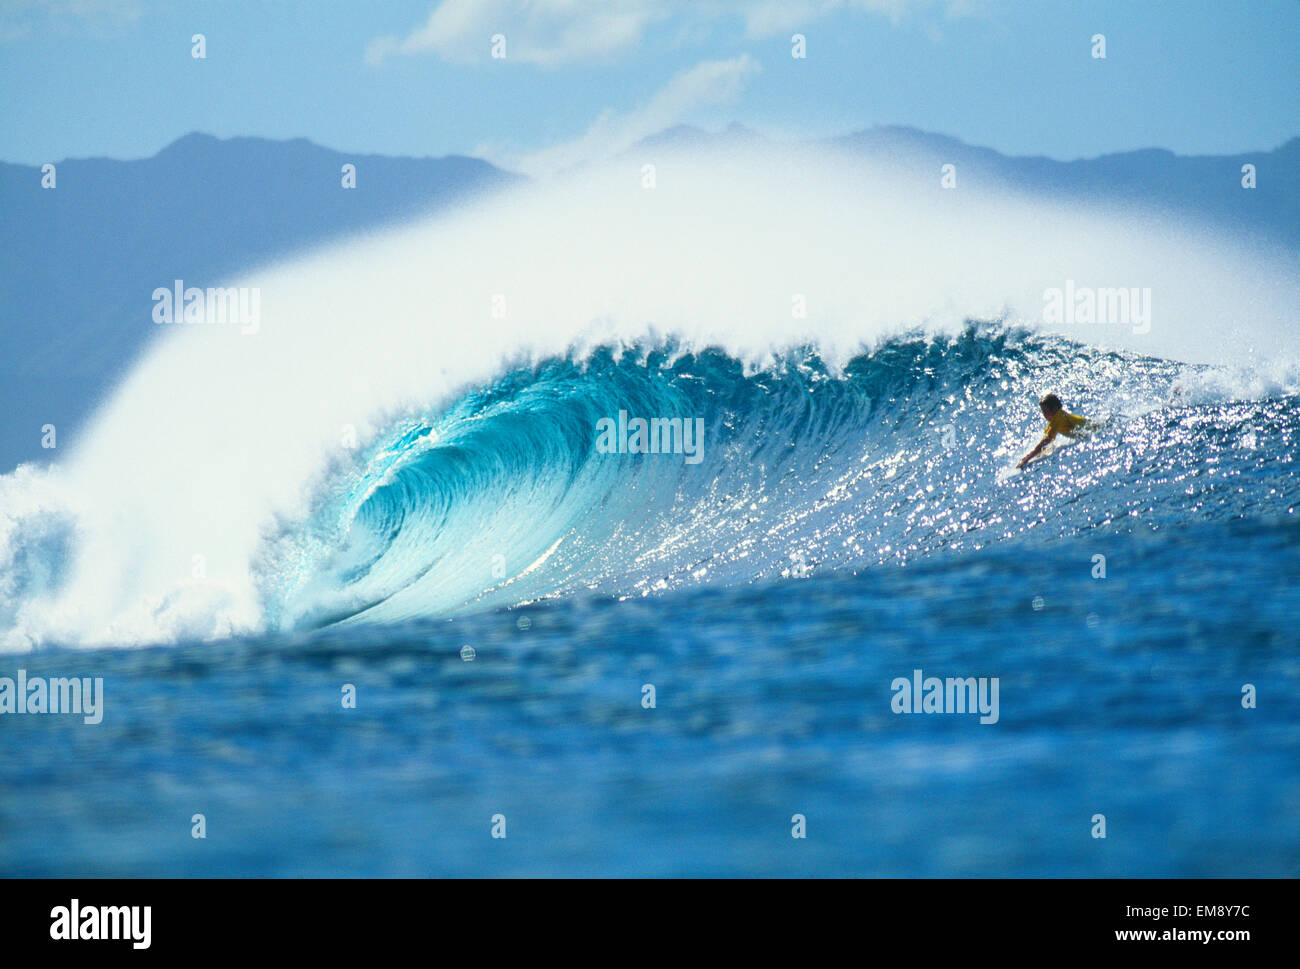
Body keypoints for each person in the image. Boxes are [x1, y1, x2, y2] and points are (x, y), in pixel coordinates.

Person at [1018, 394, 1087, 469]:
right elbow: (1045, 443)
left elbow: (1046, 441)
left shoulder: (1057, 419)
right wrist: (1037, 454)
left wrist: (1026, 459)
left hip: (1092, 428)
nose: (1044, 414)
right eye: (1042, 411)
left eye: (1045, 411)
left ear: (1054, 408)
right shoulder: (1055, 418)